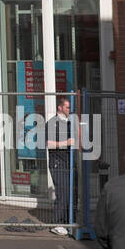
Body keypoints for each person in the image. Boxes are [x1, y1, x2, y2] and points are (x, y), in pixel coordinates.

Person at [45, 95, 75, 235]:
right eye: (68, 107)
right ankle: (57, 223)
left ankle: (69, 221)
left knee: (71, 192)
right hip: (57, 163)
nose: (70, 109)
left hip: (68, 162)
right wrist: (66, 143)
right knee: (63, 192)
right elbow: (49, 144)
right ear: (60, 107)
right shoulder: (52, 123)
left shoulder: (69, 123)